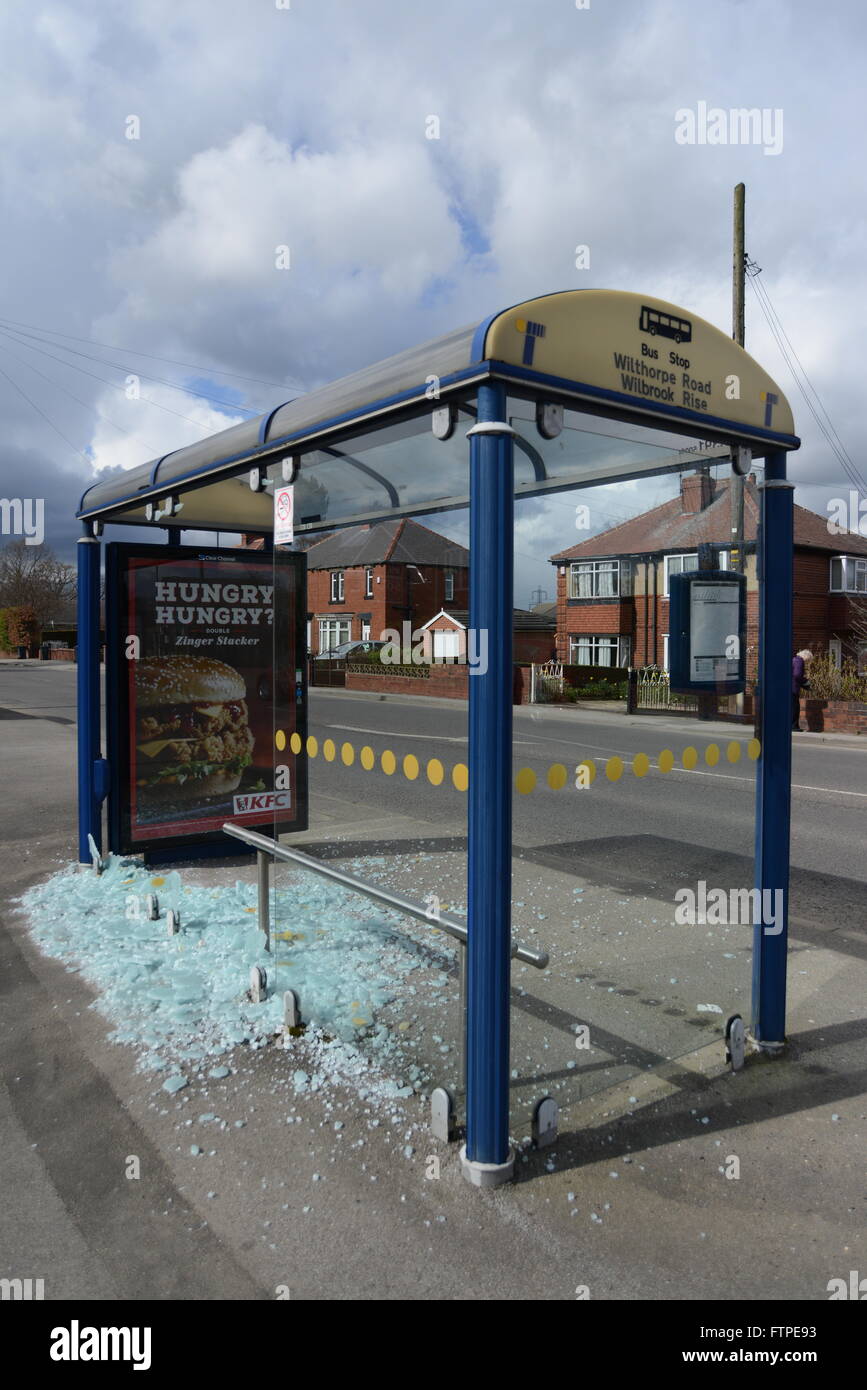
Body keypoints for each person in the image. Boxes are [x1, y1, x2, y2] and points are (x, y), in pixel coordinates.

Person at [792, 649, 813, 731]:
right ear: (806, 657)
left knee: (793, 707)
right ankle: (794, 726)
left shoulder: (794, 659)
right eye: (808, 660)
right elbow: (797, 675)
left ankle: (793, 726)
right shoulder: (799, 661)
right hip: (793, 688)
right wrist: (806, 682)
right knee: (795, 708)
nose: (807, 662)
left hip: (791, 688)